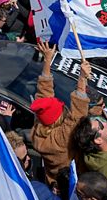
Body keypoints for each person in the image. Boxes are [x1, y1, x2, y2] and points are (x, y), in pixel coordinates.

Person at [29, 41, 91, 177]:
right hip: (70, 182)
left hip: (51, 176)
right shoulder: (58, 139)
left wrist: (47, 60)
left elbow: (43, 91)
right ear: (59, 117)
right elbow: (77, 115)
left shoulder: (40, 123)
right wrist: (82, 78)